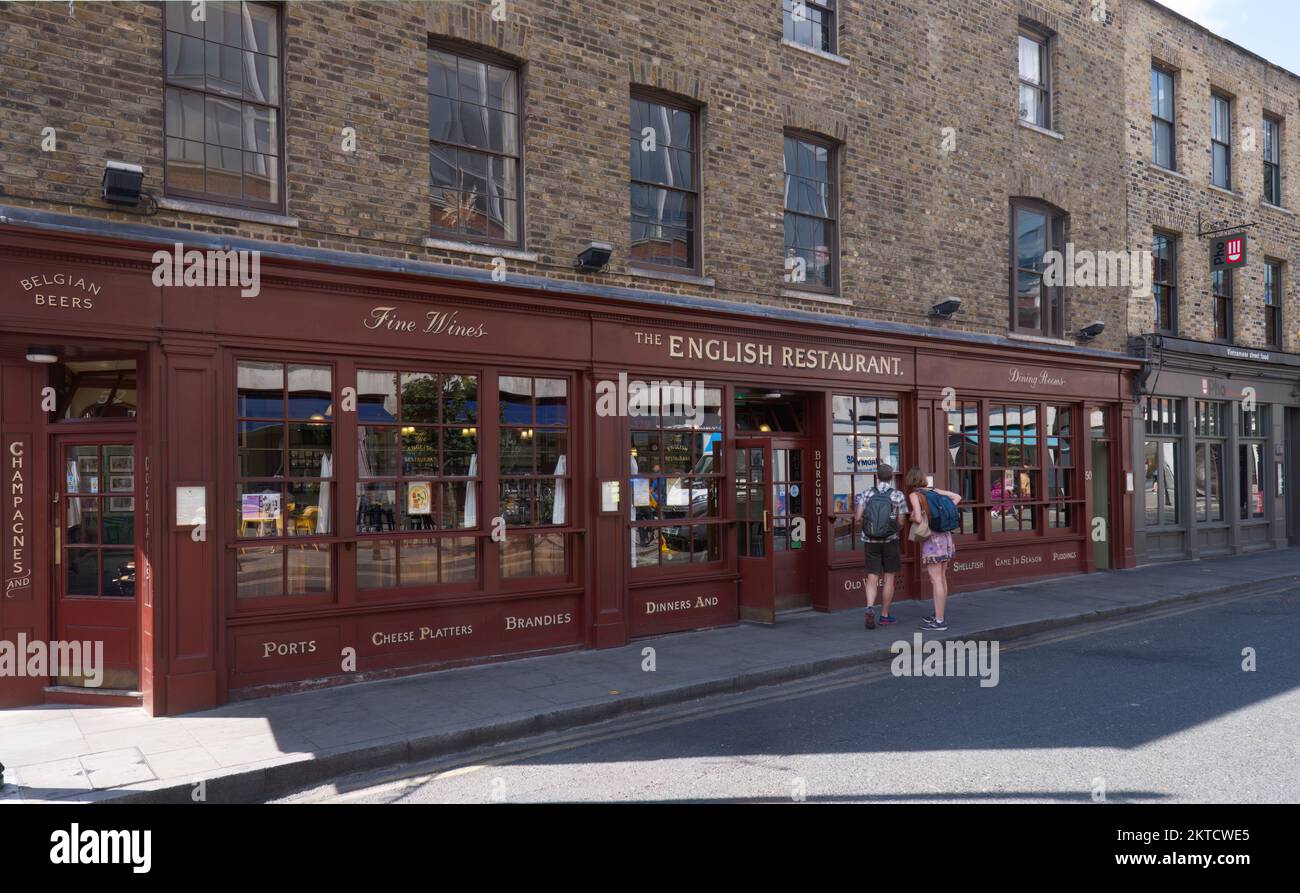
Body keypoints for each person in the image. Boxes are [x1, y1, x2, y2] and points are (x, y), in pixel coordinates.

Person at [904, 467, 962, 631]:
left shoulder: (915, 495)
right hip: (946, 537)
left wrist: (916, 516)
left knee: (935, 579)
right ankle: (939, 614)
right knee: (942, 577)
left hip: (932, 541)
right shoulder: (934, 491)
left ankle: (939, 621)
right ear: (922, 479)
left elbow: (916, 517)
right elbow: (957, 497)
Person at [852, 463, 908, 629]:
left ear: (877, 476)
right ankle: (884, 615)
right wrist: (893, 530)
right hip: (890, 541)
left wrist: (868, 529)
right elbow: (901, 521)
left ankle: (870, 608)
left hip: (870, 542)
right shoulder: (898, 495)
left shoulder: (867, 493)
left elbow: (858, 517)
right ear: (891, 478)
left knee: (872, 577)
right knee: (889, 578)